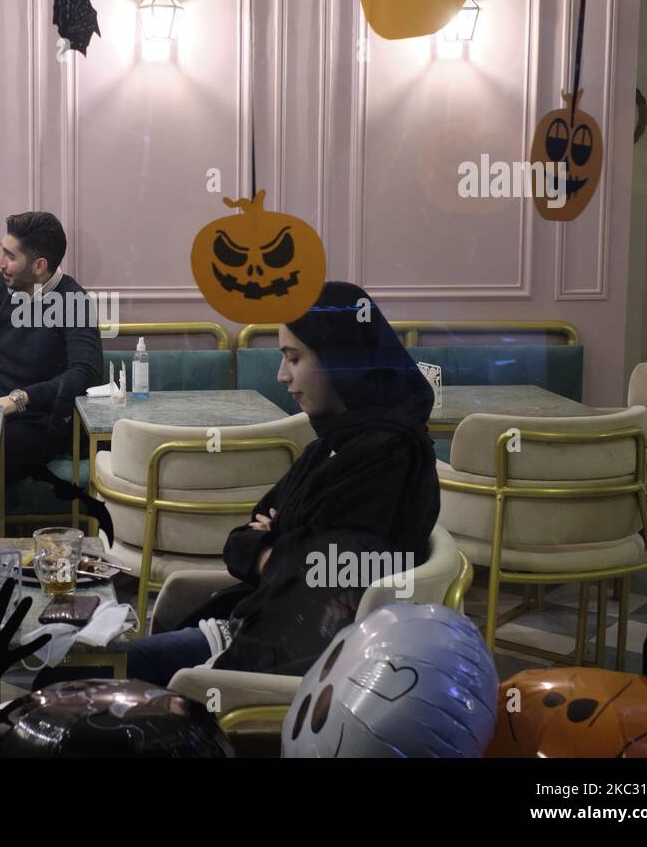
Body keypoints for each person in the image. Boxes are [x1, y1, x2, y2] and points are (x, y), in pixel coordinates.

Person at [124, 281, 440, 687]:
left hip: (285, 660)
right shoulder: (337, 442)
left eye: (294, 358)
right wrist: (271, 548)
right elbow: (243, 539)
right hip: (254, 624)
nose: (281, 375)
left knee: (83, 672)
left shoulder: (388, 454)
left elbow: (323, 571)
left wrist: (273, 547)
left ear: (340, 361)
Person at [0, 211, 102, 479]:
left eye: (10, 256)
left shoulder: (74, 300)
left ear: (38, 266)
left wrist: (20, 399)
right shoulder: (0, 286)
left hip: (38, 421)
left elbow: (85, 373)